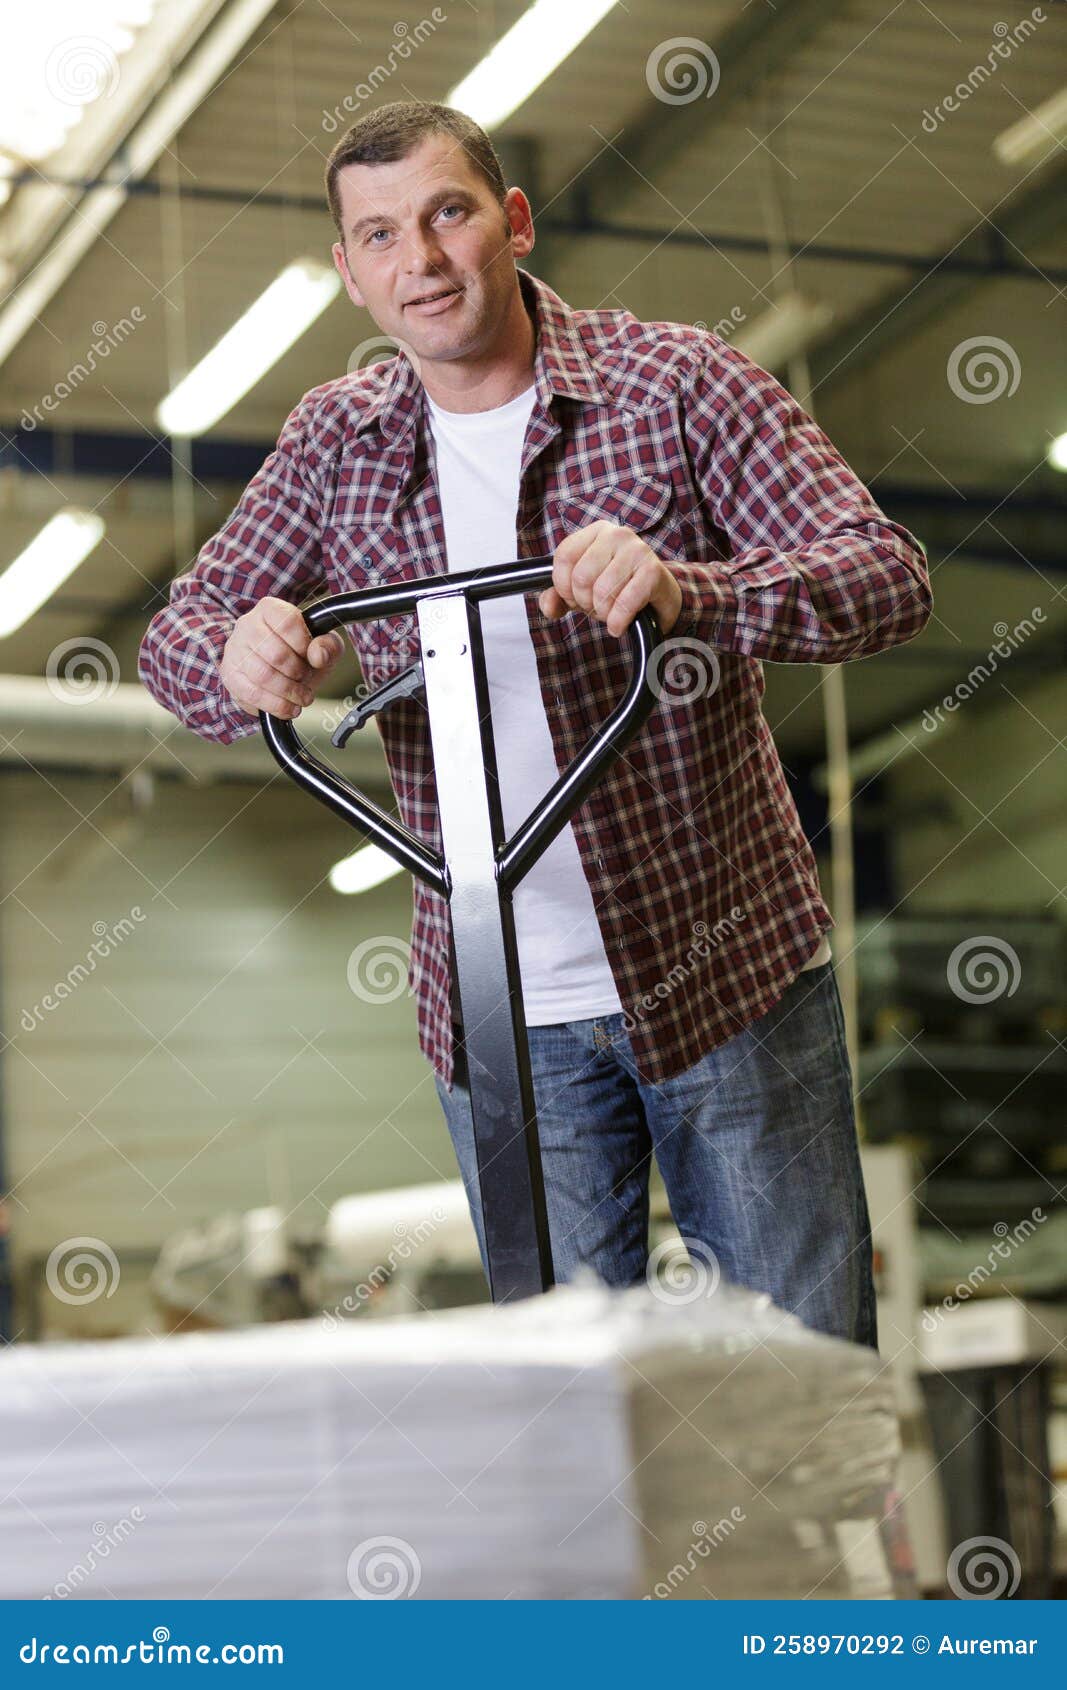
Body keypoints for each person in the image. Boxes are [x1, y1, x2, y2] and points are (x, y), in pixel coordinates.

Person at [140, 101, 934, 1351]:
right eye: (381, 236)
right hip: (501, 1015)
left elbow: (883, 575)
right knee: (560, 1402)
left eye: (447, 214)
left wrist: (686, 588)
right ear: (349, 272)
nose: (421, 260)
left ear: (510, 221)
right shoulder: (336, 442)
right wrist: (240, 653)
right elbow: (176, 641)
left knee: (802, 1367)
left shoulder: (675, 382)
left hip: (725, 974)